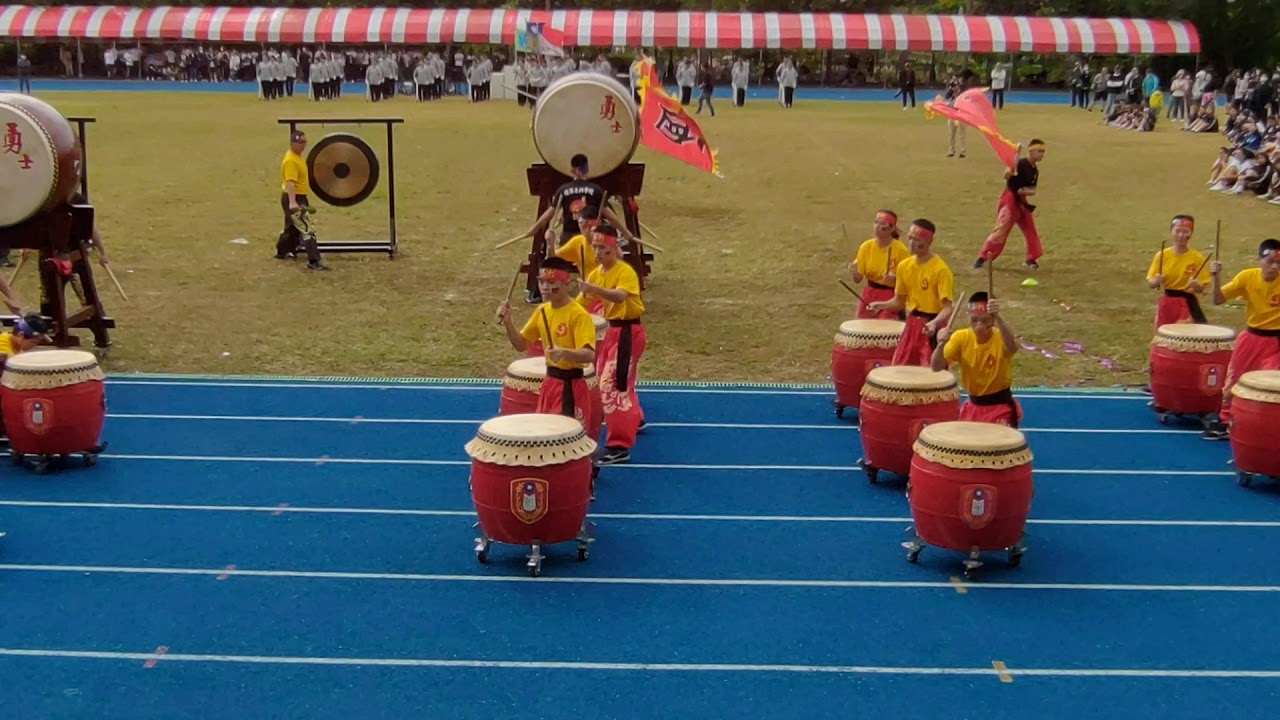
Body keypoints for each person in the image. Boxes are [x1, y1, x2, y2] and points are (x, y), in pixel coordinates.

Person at [497, 256, 597, 424]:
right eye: (542, 282)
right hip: (549, 384)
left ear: (566, 284)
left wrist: (564, 353)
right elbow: (521, 344)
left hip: (570, 387)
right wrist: (508, 322)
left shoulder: (578, 315)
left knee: (564, 437)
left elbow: (589, 355)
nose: (545, 287)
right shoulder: (542, 311)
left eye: (552, 283)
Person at [523, 153, 635, 303]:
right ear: (587, 170)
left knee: (554, 258)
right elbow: (611, 217)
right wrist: (627, 234)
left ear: (571, 170)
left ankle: (538, 293)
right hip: (595, 239)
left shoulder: (563, 190)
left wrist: (533, 230)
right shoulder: (595, 190)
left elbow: (547, 216)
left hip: (568, 237)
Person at [577, 223, 646, 465]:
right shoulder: (597, 273)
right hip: (612, 333)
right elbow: (580, 304)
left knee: (613, 386)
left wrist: (593, 289)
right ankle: (635, 419)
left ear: (613, 248)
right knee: (617, 381)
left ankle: (619, 446)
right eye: (595, 248)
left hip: (627, 331)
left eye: (602, 248)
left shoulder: (624, 272)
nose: (597, 253)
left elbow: (620, 296)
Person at [1202, 238, 1280, 440]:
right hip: (1251, 337)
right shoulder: (1247, 277)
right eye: (1270, 261)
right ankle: (1225, 420)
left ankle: (1264, 426)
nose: (1274, 267)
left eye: (1279, 263)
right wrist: (1215, 277)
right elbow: (1218, 299)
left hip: (1276, 342)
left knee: (1269, 386)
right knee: (1235, 379)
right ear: (1259, 259)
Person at [868, 219, 955, 366]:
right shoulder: (904, 266)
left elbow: (947, 308)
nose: (912, 243)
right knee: (900, 368)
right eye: (910, 238)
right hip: (912, 325)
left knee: (931, 374)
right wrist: (880, 305)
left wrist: (934, 323)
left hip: (931, 327)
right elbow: (899, 301)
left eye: (917, 239)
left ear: (928, 241)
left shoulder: (941, 270)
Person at [932, 292, 1022, 427]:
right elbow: (936, 367)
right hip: (973, 407)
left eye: (985, 320)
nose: (979, 326)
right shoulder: (960, 338)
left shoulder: (1001, 337)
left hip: (1000, 408)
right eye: (974, 320)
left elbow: (1013, 346)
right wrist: (940, 345)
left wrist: (998, 316)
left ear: (992, 320)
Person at [975, 140, 1046, 270]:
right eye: (1039, 151)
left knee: (1031, 230)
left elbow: (1033, 190)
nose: (1042, 154)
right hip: (1010, 199)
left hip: (1022, 201)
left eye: (1043, 152)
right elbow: (1007, 175)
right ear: (1031, 151)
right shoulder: (1020, 163)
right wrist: (1015, 156)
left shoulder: (1035, 170)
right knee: (1001, 231)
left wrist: (1025, 191)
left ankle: (1031, 258)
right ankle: (982, 258)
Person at [275, 130, 328, 271]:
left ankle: (282, 251)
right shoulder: (291, 161)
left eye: (305, 142)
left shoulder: (297, 156)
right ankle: (314, 261)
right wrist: (293, 203)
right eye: (301, 143)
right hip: (294, 197)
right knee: (307, 228)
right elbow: (290, 183)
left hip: (298, 197)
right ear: (293, 143)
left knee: (292, 227)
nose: (304, 145)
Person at [1146, 215, 1210, 329]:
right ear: (1172, 232)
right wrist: (1156, 281)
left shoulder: (1197, 257)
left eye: (1185, 232)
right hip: (1168, 302)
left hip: (1188, 302)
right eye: (1177, 231)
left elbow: (1201, 287)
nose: (1181, 235)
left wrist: (1196, 285)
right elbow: (1151, 283)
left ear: (1190, 234)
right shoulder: (1162, 255)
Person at [850, 210, 910, 320]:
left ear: (892, 229)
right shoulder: (866, 247)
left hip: (891, 297)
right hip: (869, 294)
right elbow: (858, 279)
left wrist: (894, 280)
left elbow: (908, 281)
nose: (877, 227)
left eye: (882, 224)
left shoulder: (901, 250)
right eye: (876, 222)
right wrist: (854, 272)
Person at [550, 202, 603, 314]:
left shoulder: (606, 242)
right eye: (580, 222)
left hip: (606, 292)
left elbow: (619, 262)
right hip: (587, 293)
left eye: (584, 223)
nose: (582, 227)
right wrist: (550, 243)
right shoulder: (577, 242)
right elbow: (552, 259)